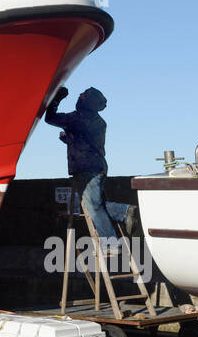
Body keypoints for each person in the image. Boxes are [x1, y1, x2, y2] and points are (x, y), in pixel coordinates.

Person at [44, 86, 134, 251]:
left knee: (92, 206)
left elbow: (50, 119)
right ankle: (123, 211)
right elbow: (88, 142)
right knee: (95, 204)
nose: (79, 95)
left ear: (88, 101)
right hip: (97, 166)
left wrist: (56, 99)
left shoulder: (77, 118)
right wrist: (70, 138)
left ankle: (112, 241)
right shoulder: (98, 121)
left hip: (84, 168)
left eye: (83, 95)